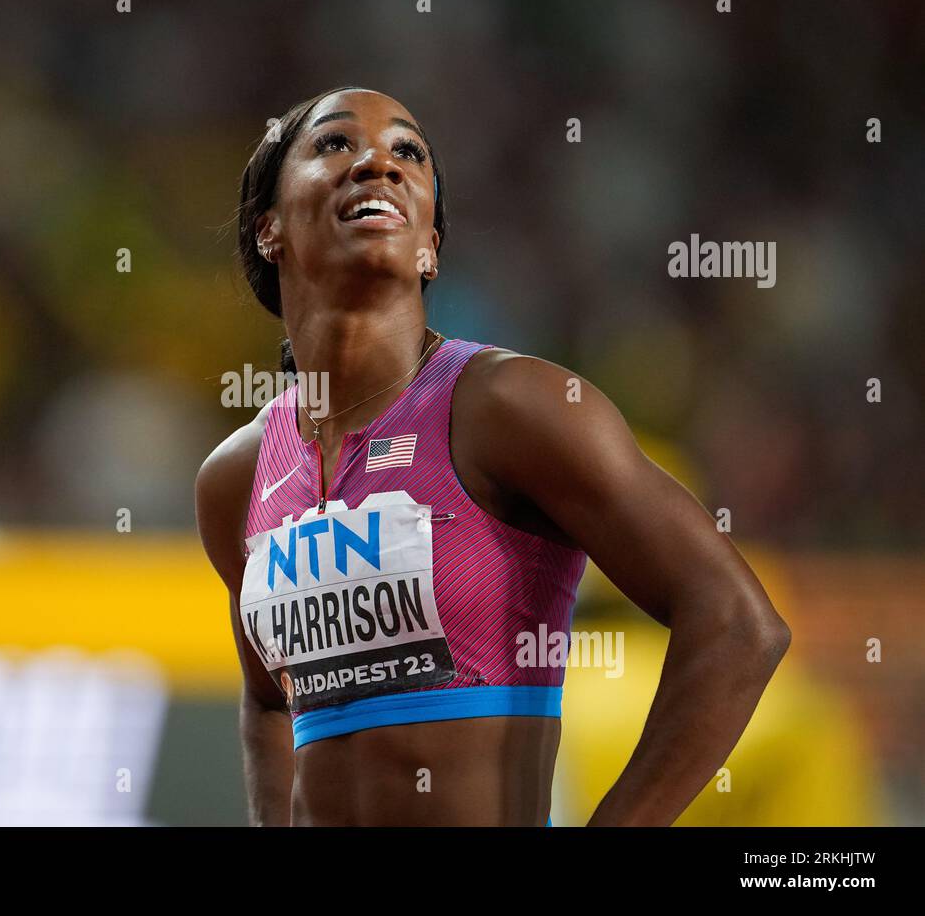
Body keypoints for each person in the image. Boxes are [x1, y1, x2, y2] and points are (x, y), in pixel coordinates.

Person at [195, 86, 790, 826]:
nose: (378, 162)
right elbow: (265, 702)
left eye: (408, 153)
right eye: (335, 143)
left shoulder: (512, 408)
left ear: (430, 245)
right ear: (269, 229)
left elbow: (739, 623)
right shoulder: (236, 478)